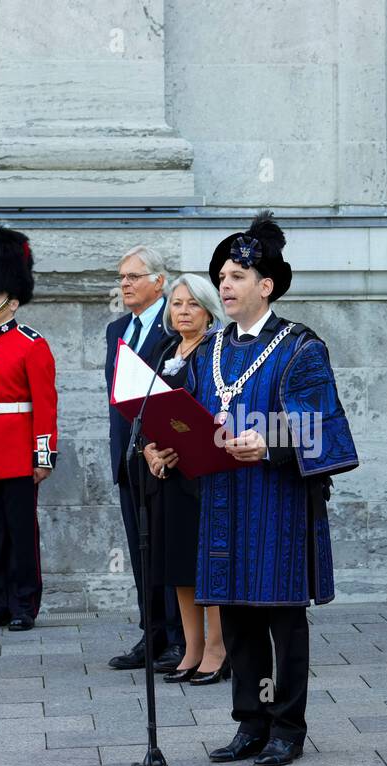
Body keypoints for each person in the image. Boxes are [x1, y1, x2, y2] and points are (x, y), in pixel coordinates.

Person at [187, 211, 359, 766]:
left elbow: (322, 423)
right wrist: (165, 443)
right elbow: (187, 415)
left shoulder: (301, 347)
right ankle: (249, 724)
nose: (224, 287)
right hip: (223, 501)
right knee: (236, 620)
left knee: (283, 620)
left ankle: (287, 727)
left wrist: (267, 443)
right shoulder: (210, 348)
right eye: (221, 278)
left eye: (236, 277)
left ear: (266, 285)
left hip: (278, 502)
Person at [0, 226, 58, 633]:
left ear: (13, 300)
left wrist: (43, 454)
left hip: (18, 451)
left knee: (22, 533)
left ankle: (24, 604)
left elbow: (46, 404)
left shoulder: (32, 345)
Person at [141, 274, 229, 685]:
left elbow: (218, 411)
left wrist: (184, 445)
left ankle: (218, 648)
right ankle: (192, 648)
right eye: (176, 303)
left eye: (192, 304)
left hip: (203, 474)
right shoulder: (162, 352)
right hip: (168, 475)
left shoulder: (218, 352)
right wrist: (150, 450)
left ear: (209, 309)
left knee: (205, 563)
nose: (183, 311)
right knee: (178, 564)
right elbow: (144, 409)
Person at [103, 247, 186, 673]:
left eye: (134, 276)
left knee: (166, 547)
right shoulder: (117, 328)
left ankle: (178, 638)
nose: (126, 284)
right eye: (122, 277)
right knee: (140, 550)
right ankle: (150, 633)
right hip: (128, 455)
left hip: (164, 456)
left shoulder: (176, 326)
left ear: (159, 281)